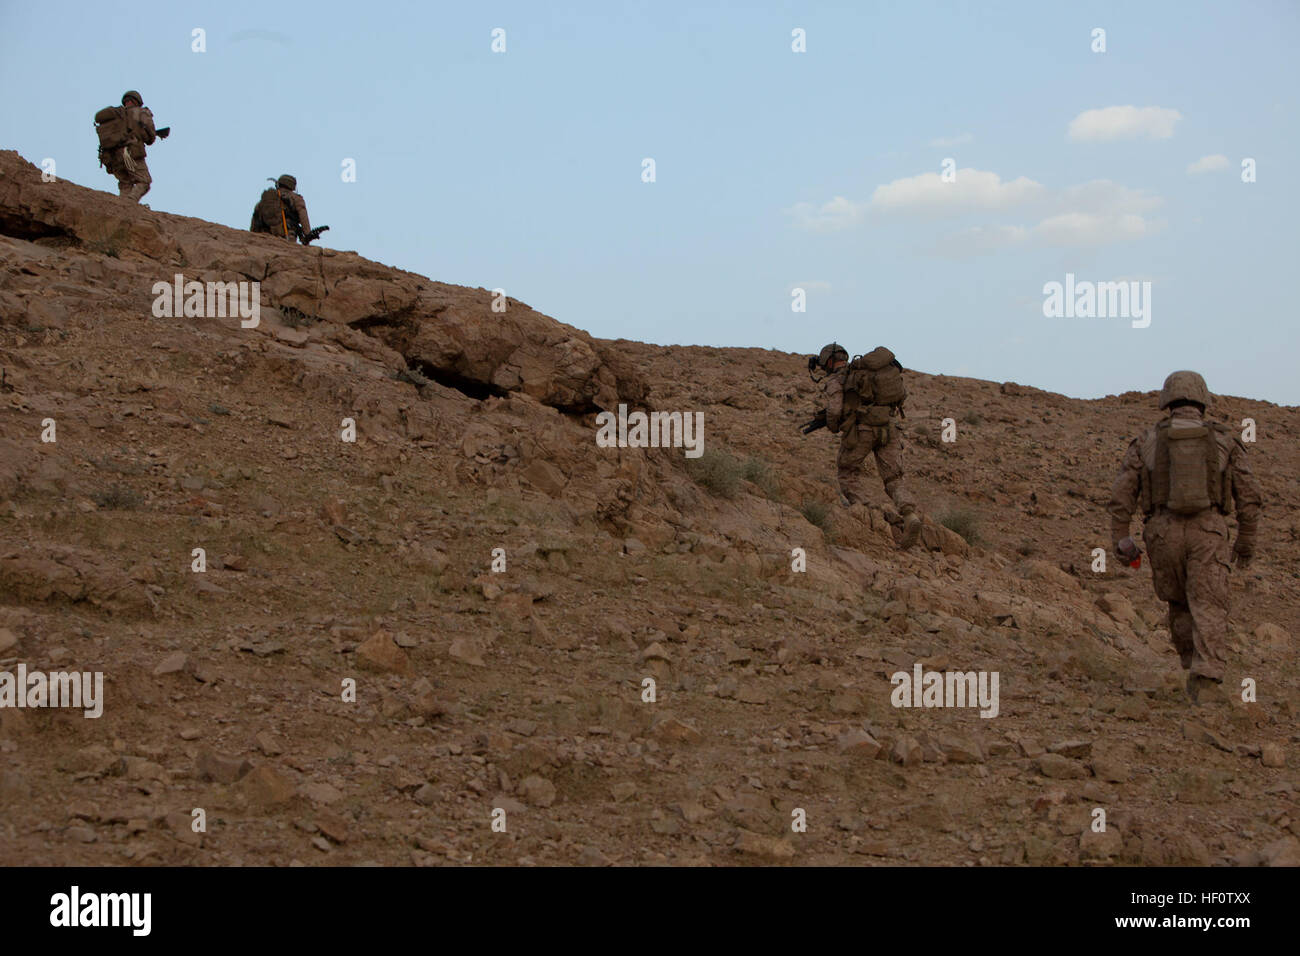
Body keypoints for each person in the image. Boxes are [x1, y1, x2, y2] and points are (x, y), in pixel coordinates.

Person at [1107, 370, 1262, 703]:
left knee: (1178, 604)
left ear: (1167, 400)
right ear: (1202, 399)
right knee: (1208, 605)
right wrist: (1245, 539)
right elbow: (1249, 496)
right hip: (1208, 531)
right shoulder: (1224, 439)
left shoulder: (1146, 440)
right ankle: (1206, 682)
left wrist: (1121, 537)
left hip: (1162, 533)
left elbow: (1122, 494)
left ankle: (1190, 670)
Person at [810, 342, 922, 550]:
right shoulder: (868, 373)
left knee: (847, 472)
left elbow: (834, 411)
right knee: (893, 478)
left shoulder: (838, 379)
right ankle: (909, 515)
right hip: (888, 429)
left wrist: (834, 425)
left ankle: (869, 515)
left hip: (862, 431)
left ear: (828, 361)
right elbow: (902, 395)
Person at [97, 90, 167, 203]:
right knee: (144, 181)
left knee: (125, 183)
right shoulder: (141, 112)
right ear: (137, 101)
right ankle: (130, 201)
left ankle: (123, 205)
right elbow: (150, 137)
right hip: (129, 153)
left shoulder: (116, 116)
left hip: (113, 157)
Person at [250, 174, 313, 242]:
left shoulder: (266, 200)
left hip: (265, 236)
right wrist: (308, 234)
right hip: (287, 234)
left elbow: (255, 219)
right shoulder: (296, 198)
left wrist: (253, 235)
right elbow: (303, 216)